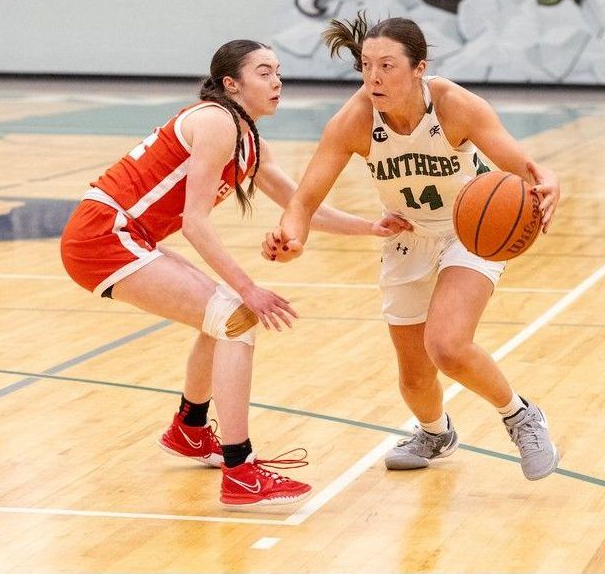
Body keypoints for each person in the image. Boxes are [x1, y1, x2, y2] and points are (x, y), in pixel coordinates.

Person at [60, 39, 410, 507]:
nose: (277, 81)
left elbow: (301, 204)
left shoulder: (247, 139)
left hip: (124, 236)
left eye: (278, 71)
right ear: (231, 84)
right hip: (104, 234)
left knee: (220, 317)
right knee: (236, 316)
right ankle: (240, 470)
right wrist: (251, 288)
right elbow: (194, 223)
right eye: (264, 72)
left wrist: (371, 227)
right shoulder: (216, 121)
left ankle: (190, 427)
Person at [264, 15, 562, 480]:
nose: (374, 77)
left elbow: (520, 162)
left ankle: (521, 415)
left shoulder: (454, 106)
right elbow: (304, 199)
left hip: (469, 231)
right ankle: (435, 432)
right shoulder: (354, 120)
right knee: (415, 377)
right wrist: (292, 236)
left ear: (419, 67)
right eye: (366, 65)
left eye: (387, 65)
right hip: (406, 237)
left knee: (446, 344)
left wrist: (546, 180)